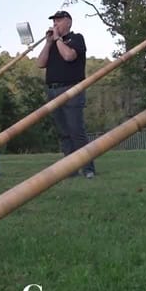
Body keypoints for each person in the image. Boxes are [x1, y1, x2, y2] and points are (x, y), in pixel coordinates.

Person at [36, 10, 95, 179]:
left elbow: (69, 56)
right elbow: (40, 63)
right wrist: (48, 43)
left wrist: (57, 40)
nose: (55, 24)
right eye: (54, 21)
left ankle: (88, 168)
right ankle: (70, 169)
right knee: (63, 132)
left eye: (59, 21)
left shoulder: (76, 38)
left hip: (72, 89)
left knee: (76, 130)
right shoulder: (53, 43)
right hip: (53, 90)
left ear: (68, 22)